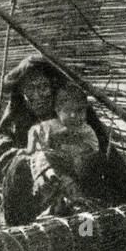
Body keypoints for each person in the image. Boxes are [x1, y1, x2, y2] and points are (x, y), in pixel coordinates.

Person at [0, 52, 126, 224]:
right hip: (31, 202)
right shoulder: (15, 119)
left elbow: (107, 153)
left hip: (81, 196)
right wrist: (37, 161)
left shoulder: (74, 114)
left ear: (53, 87)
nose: (37, 96)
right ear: (21, 91)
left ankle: (83, 221)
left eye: (43, 87)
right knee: (28, 162)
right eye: (30, 89)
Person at [26, 83, 101, 212]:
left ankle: (77, 201)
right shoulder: (50, 126)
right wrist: (35, 138)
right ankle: (53, 187)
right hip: (57, 168)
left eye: (79, 111)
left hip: (79, 167)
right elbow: (35, 136)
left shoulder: (86, 130)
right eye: (68, 111)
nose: (73, 116)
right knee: (41, 157)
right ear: (57, 109)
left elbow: (93, 150)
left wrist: (73, 139)